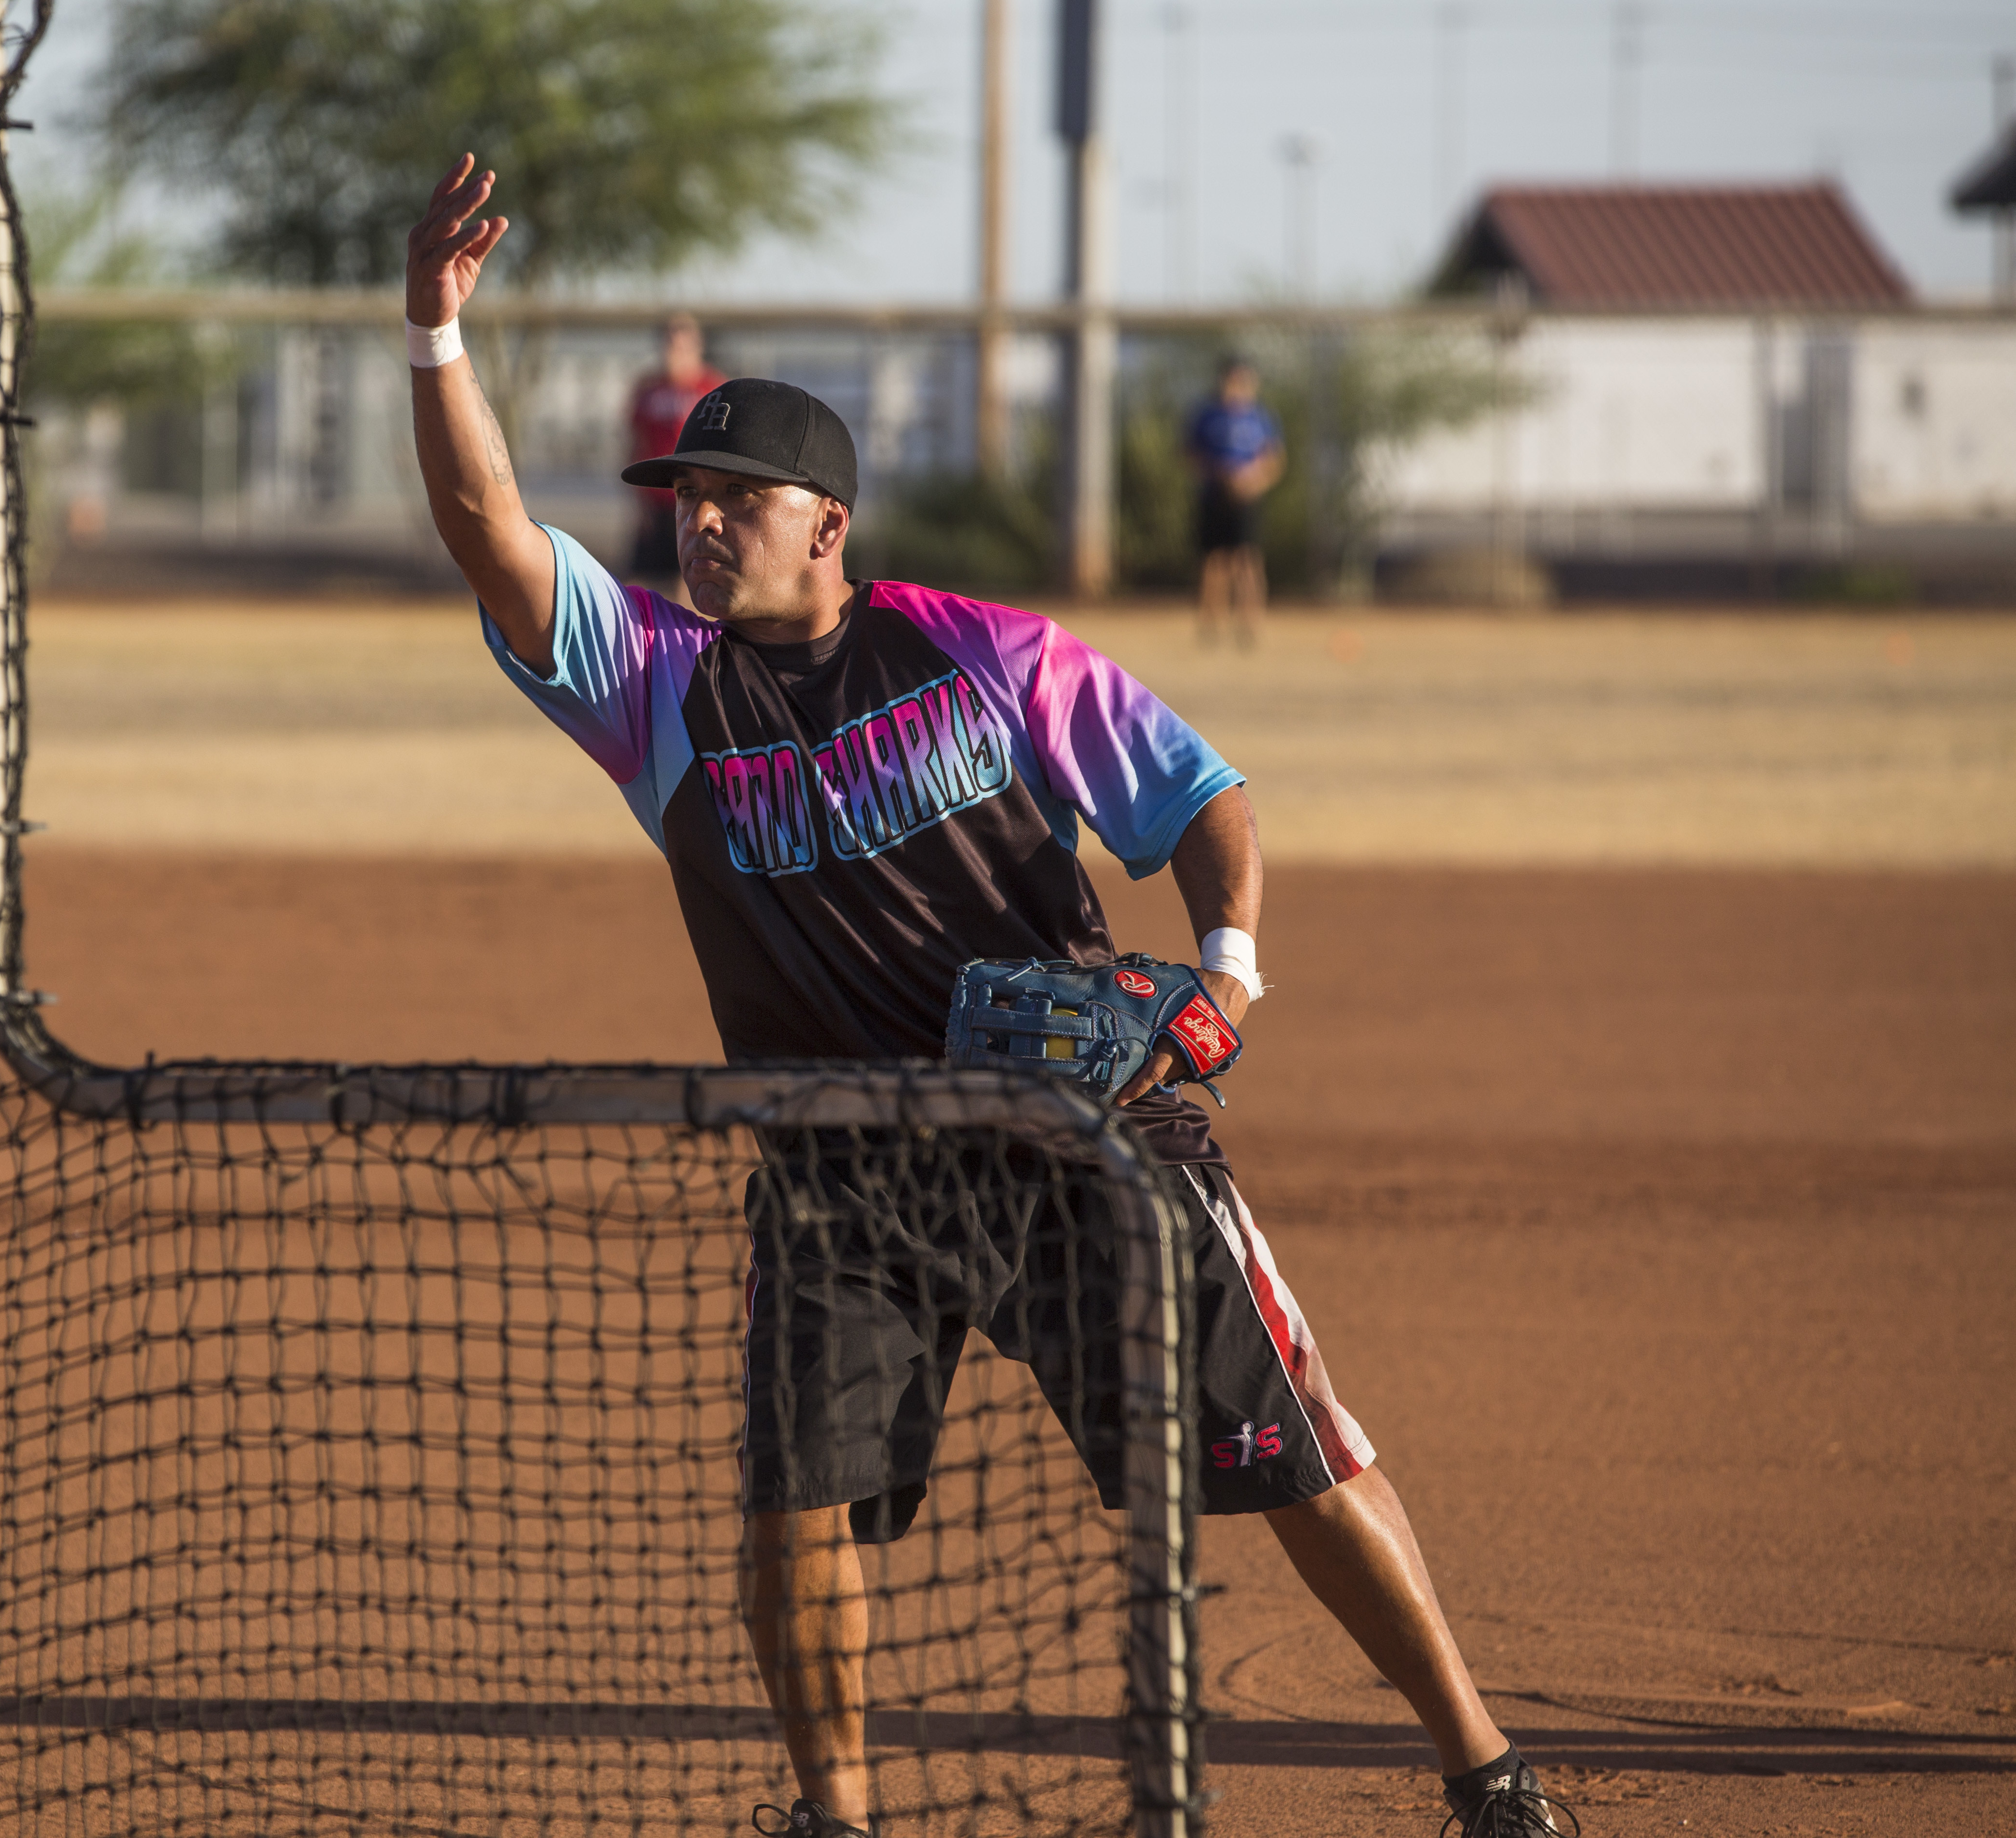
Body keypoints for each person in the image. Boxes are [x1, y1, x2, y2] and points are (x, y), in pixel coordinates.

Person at [402, 156, 1575, 1838]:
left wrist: (1224, 981)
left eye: (736, 492)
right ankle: (837, 1811)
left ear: (830, 522)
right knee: (796, 1509)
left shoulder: (990, 655)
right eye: (686, 492)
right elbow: (491, 533)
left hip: (1078, 1141)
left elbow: (1201, 800)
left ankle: (1482, 1762)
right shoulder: (655, 688)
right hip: (840, 1174)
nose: (699, 517)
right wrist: (440, 343)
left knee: (1294, 1458)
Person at [1186, 355, 1283, 651]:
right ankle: (1210, 626)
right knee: (1214, 561)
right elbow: (1190, 454)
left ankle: (1250, 626)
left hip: (1247, 500)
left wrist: (1252, 482)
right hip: (1215, 497)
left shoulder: (1260, 417)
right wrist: (1219, 475)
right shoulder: (1208, 415)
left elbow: (1275, 460)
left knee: (1248, 562)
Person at [625, 311, 726, 586]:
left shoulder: (712, 389)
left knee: (692, 577)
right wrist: (639, 504)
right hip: (656, 500)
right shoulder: (648, 388)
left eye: (683, 344)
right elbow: (635, 443)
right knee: (638, 582)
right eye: (670, 343)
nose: (675, 352)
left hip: (694, 498)